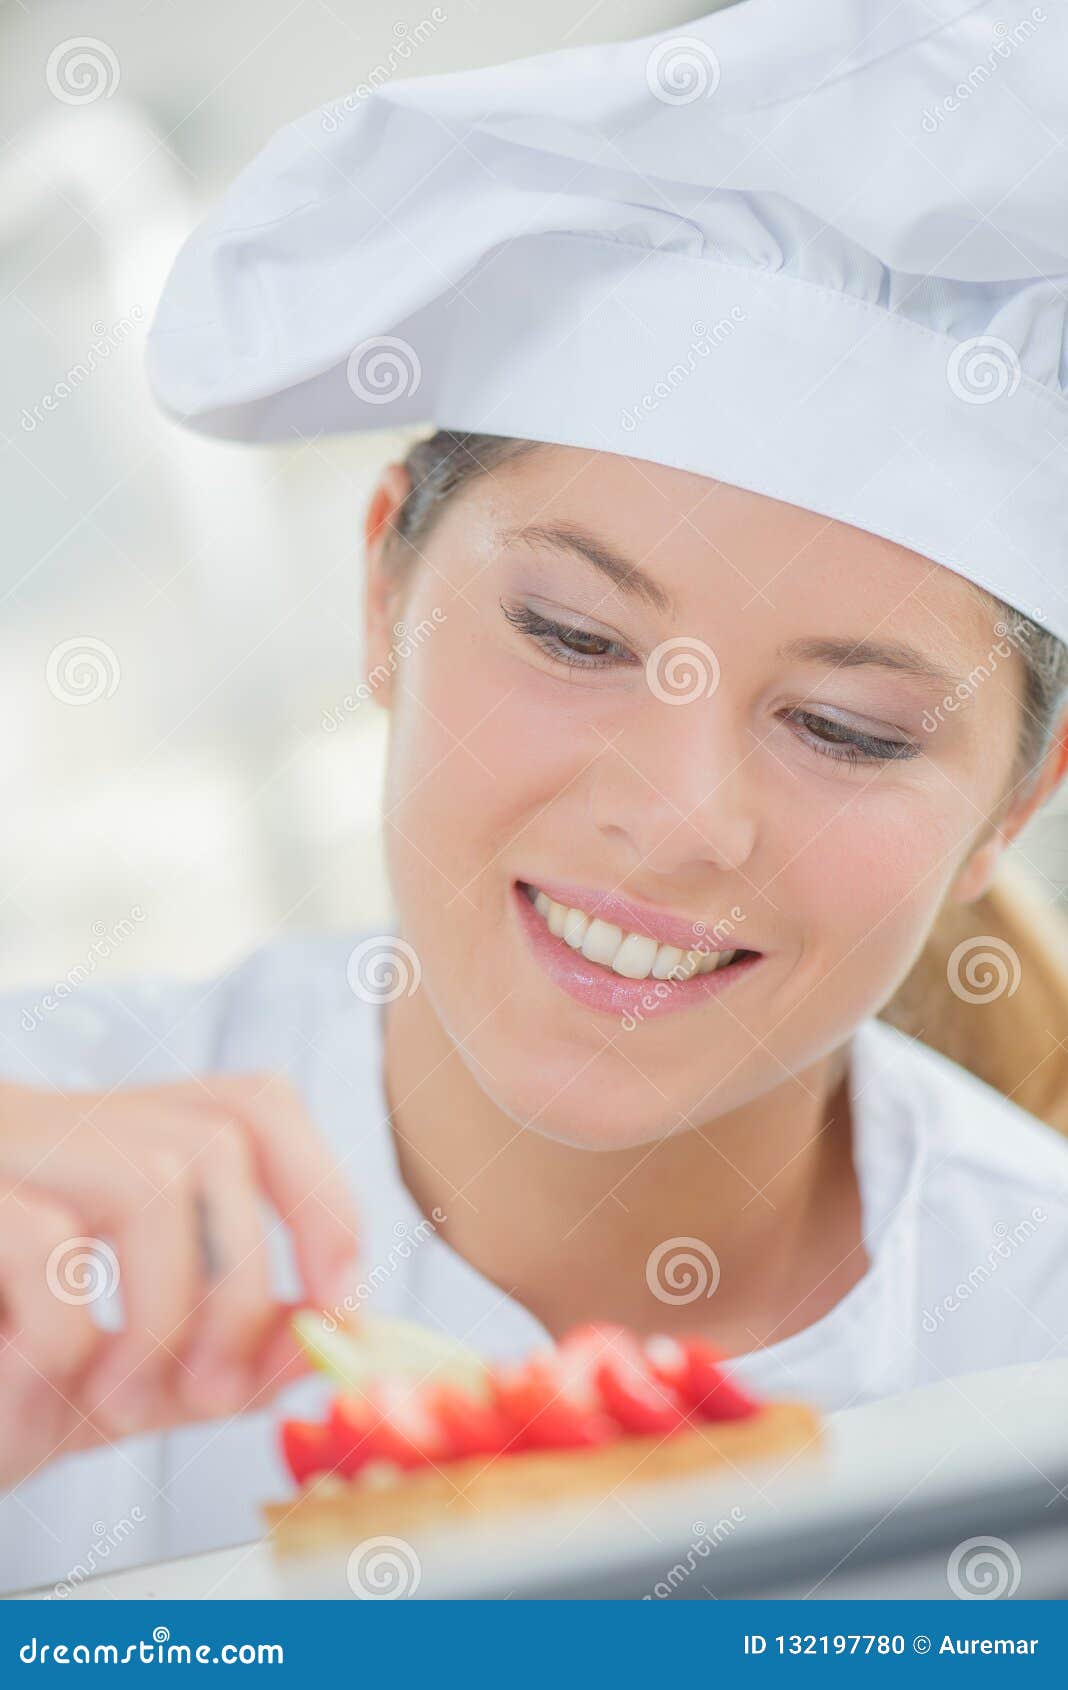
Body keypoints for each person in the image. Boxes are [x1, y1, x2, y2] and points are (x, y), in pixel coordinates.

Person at [3, 0, 1068, 1593]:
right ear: (383, 591)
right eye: (574, 635)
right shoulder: (41, 1168)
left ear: (1017, 800)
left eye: (846, 727)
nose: (677, 813)